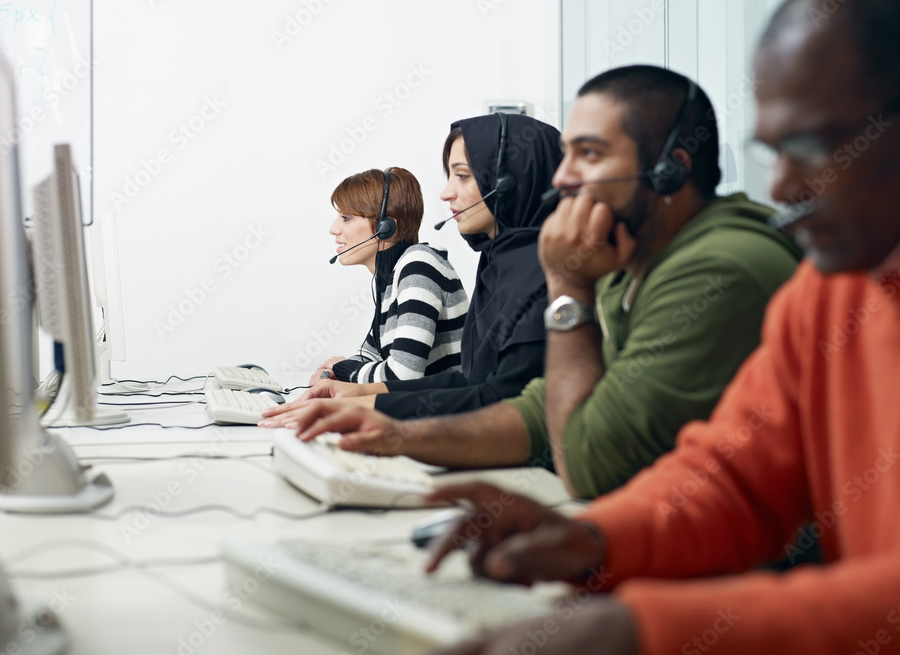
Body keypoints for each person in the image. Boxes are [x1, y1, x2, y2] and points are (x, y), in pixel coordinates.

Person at [420, 0, 900, 653]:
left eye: (812, 142)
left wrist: (645, 627)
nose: (781, 187)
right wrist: (598, 540)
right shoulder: (829, 289)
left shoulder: (733, 266)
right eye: (774, 150)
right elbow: (732, 480)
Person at [270, 66, 801, 500]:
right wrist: (390, 428)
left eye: (589, 155)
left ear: (670, 171)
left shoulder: (718, 269)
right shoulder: (628, 266)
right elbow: (537, 410)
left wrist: (569, 287)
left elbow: (590, 461)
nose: (565, 178)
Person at [269, 113, 563, 418]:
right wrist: (347, 389)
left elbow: (484, 396)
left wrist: (351, 390)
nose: (446, 192)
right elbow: (469, 380)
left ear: (505, 182)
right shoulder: (496, 263)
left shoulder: (423, 264)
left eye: (462, 176)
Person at [315, 167, 468, 384]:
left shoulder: (419, 265)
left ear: (384, 227)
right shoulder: (392, 279)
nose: (333, 229)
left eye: (346, 218)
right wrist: (331, 373)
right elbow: (371, 355)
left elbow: (402, 376)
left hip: (454, 413)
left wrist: (342, 369)